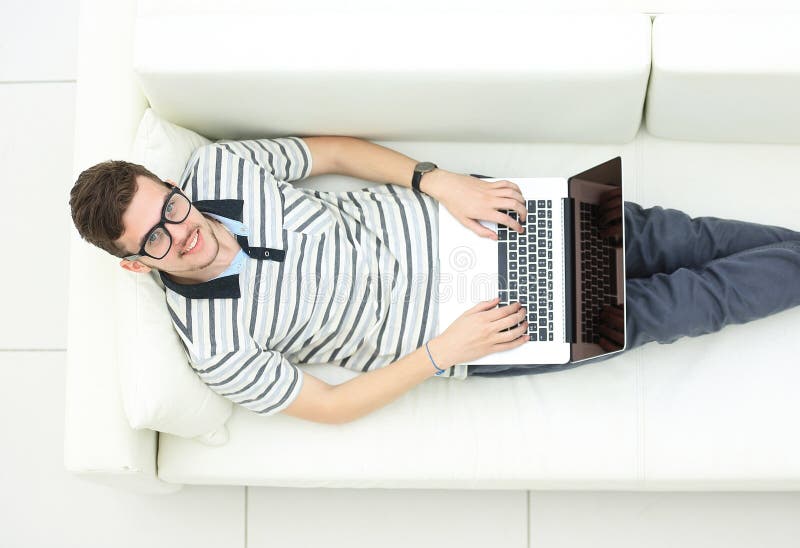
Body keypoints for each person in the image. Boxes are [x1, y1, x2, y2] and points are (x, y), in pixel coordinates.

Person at [69, 136, 800, 424]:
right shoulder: (214, 347)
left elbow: (335, 155)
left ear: (172, 185)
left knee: (679, 237)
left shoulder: (222, 167)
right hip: (474, 324)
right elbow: (331, 405)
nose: (182, 229)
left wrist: (440, 180)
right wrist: (444, 353)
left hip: (473, 221)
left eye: (171, 205)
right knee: (688, 302)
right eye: (156, 238)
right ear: (136, 263)